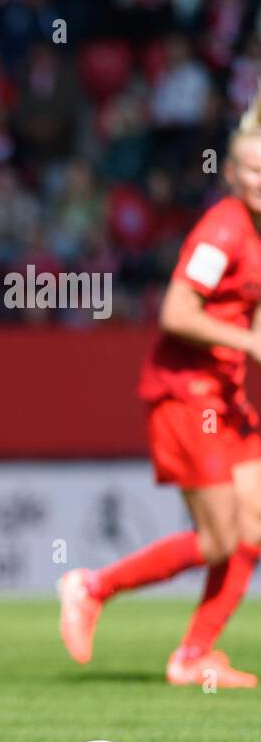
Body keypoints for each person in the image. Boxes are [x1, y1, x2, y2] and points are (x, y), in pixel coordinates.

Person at [57, 88, 261, 688]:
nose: (257, 179)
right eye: (248, 169)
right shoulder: (222, 231)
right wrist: (249, 345)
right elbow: (175, 312)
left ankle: (194, 656)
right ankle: (92, 585)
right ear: (229, 172)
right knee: (222, 537)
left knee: (253, 530)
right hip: (185, 393)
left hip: (225, 396)